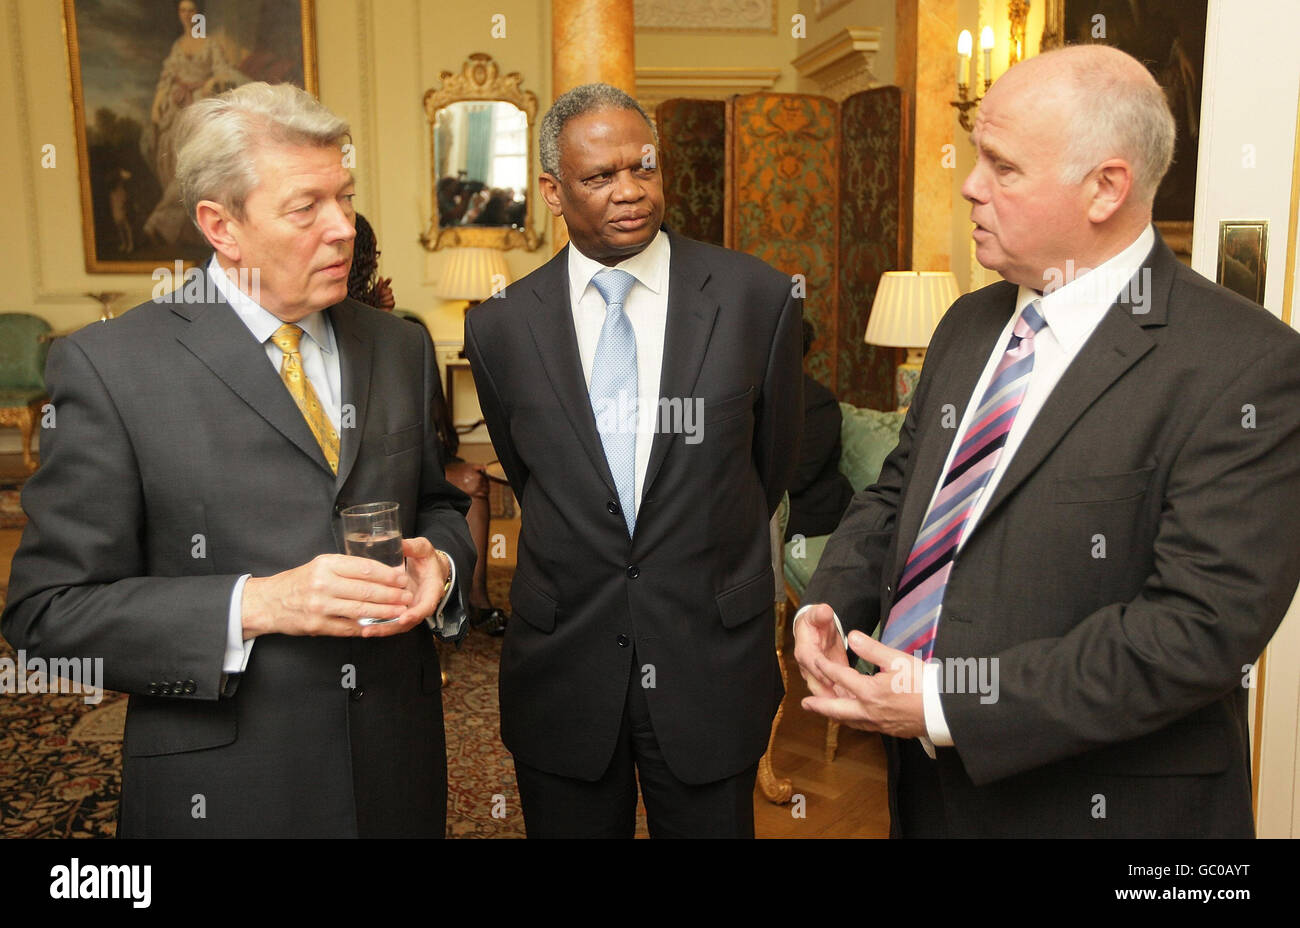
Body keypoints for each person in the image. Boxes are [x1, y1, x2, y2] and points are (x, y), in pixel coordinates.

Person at [793, 44, 1300, 838]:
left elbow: (1194, 634)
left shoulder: (1244, 367)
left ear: (1106, 188)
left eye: (1003, 166)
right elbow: (899, 495)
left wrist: (942, 700)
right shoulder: (969, 322)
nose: (970, 185)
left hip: (1098, 809)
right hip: (927, 795)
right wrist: (831, 600)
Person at [2, 82, 475, 838]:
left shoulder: (399, 346)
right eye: (305, 207)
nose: (343, 229)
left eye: (345, 198)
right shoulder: (110, 368)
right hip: (225, 788)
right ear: (220, 226)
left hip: (395, 767)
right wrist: (256, 605)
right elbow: (46, 614)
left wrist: (440, 570)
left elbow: (440, 506)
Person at [464, 82, 802, 838]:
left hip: (709, 659)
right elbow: (534, 476)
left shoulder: (758, 299)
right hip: (565, 666)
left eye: (643, 168)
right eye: (600, 177)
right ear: (552, 191)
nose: (631, 192)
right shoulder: (501, 327)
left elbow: (768, 464)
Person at [348, 212, 507, 635]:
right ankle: (473, 604)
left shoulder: (407, 337)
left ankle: (472, 602)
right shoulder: (380, 340)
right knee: (471, 483)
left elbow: (434, 451)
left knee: (471, 482)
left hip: (431, 463)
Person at [786, 318, 854, 541]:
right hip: (768, 505)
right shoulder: (752, 396)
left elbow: (796, 477)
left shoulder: (819, 404)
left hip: (813, 508)